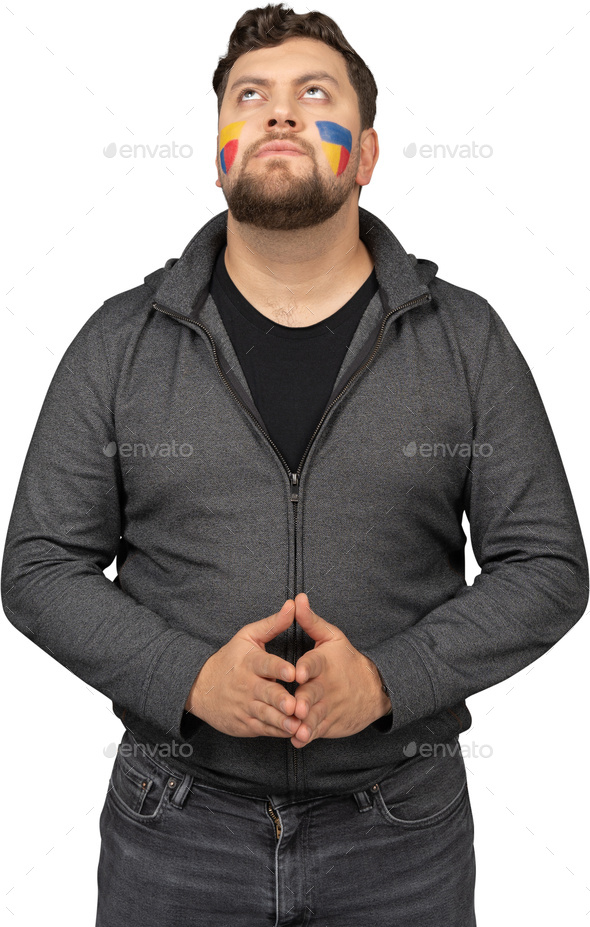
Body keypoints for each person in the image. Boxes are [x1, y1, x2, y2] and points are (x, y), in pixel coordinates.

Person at [2, 4, 587, 926]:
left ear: (365, 151)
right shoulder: (120, 341)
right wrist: (187, 678)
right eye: (251, 97)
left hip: (402, 830)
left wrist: (392, 681)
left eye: (314, 94)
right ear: (221, 150)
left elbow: (548, 565)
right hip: (174, 828)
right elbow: (38, 566)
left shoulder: (466, 340)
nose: (278, 114)